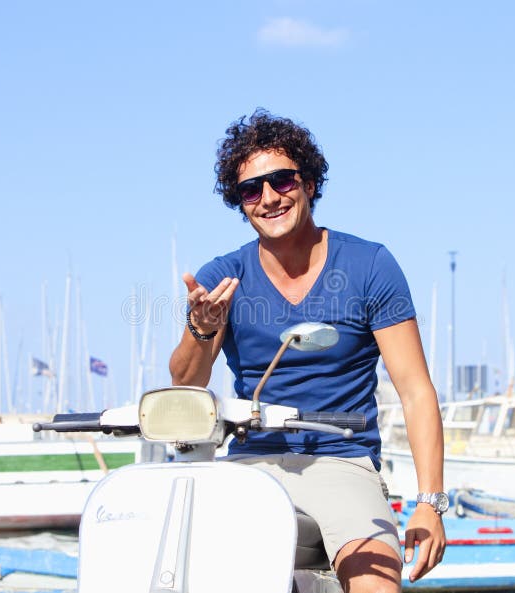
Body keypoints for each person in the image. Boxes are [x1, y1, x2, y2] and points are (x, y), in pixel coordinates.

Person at [169, 108, 445, 593]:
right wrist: (201, 327)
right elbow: (185, 384)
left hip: (342, 459)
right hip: (252, 464)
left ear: (310, 182)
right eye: (251, 189)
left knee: (378, 585)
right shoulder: (223, 278)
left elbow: (416, 391)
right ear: (240, 203)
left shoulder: (370, 265)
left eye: (282, 181)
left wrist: (430, 500)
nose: (269, 198)